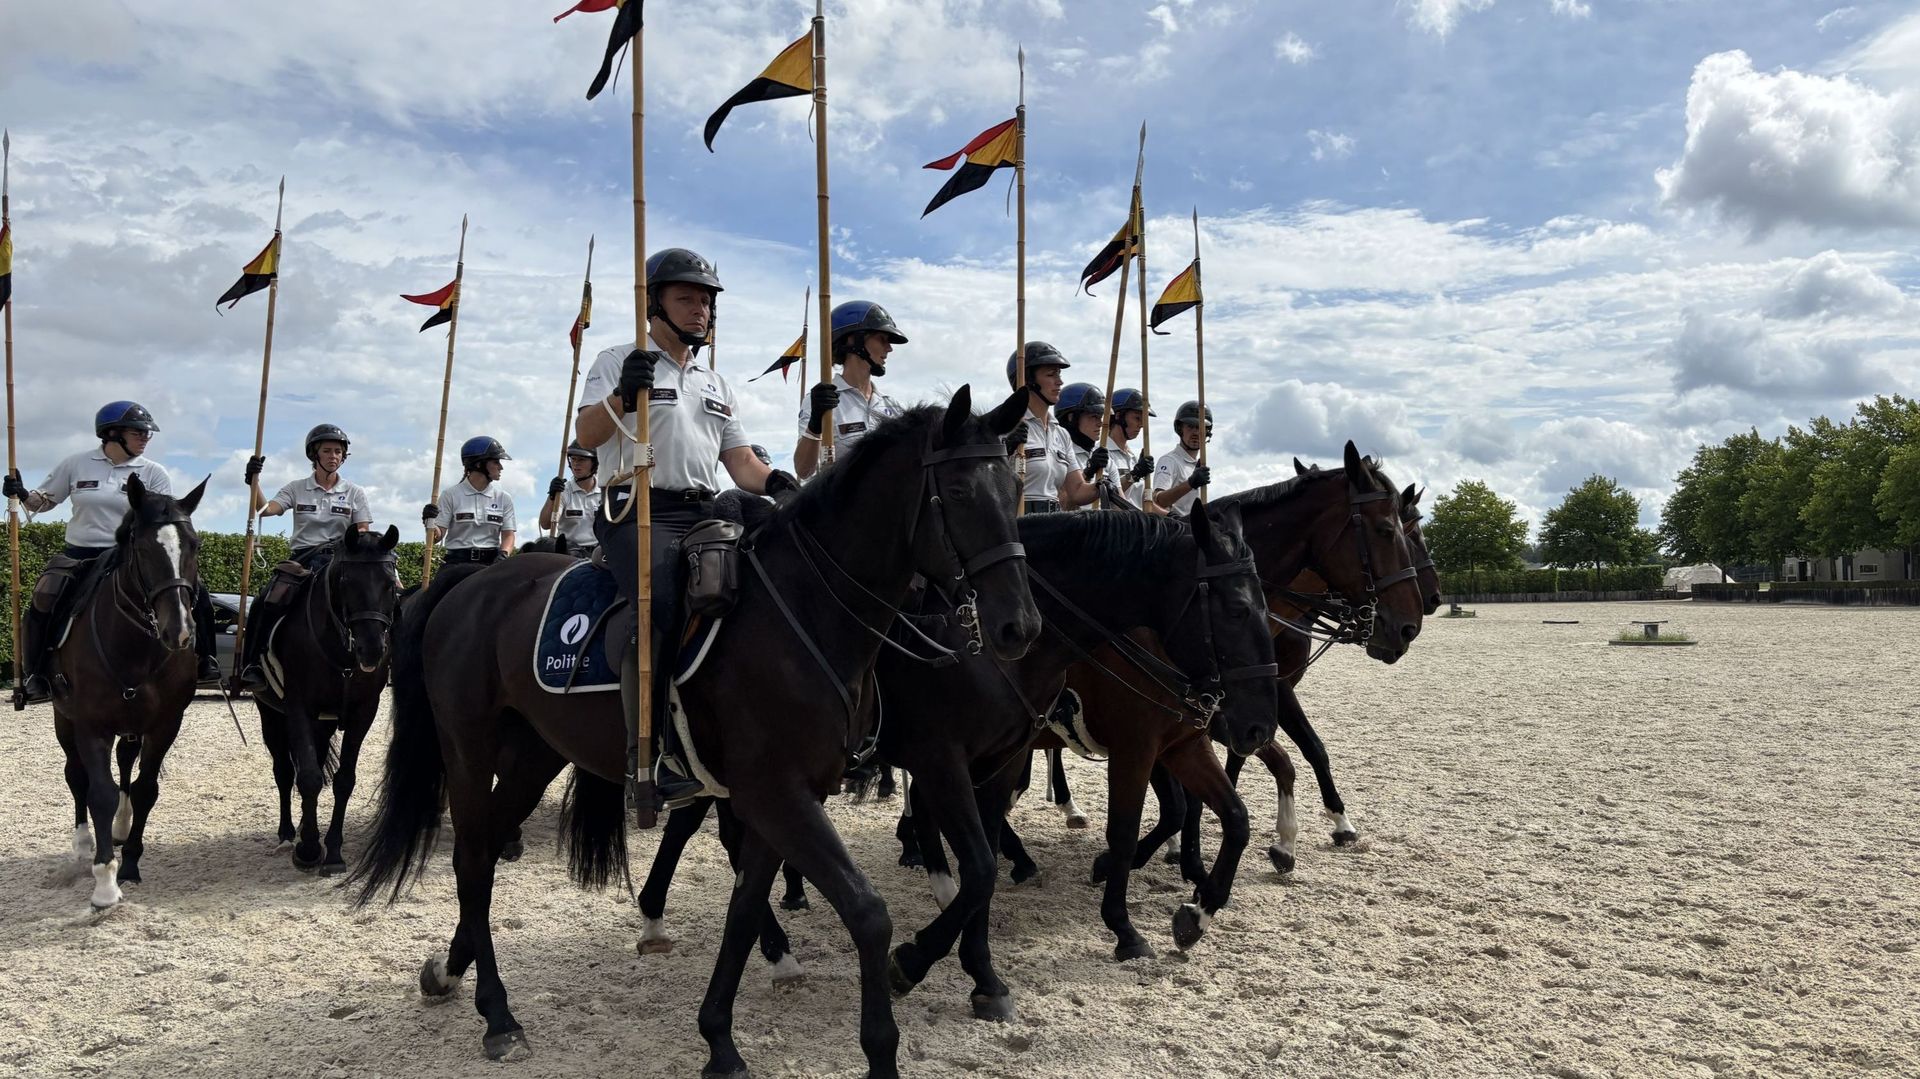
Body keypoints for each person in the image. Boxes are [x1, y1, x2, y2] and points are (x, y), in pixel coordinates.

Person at [572, 247, 797, 817]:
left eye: (705, 301)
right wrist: (624, 394)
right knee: (660, 601)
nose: (700, 310)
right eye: (686, 298)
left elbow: (740, 461)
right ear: (654, 305)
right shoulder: (619, 357)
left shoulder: (715, 380)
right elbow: (587, 434)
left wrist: (778, 482)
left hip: (705, 511)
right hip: (638, 509)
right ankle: (647, 755)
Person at [5, 401, 221, 705]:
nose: (146, 438)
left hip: (129, 556)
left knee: (197, 592)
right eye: (138, 432)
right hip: (81, 555)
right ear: (111, 433)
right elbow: (42, 502)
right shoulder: (76, 464)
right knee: (43, 598)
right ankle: (36, 675)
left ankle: (205, 660)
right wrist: (22, 493)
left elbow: (164, 520)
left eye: (147, 433)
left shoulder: (154, 472)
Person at [234, 423, 375, 688]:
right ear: (314, 455)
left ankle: (378, 657)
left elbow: (362, 531)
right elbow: (266, 509)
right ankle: (253, 664)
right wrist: (254, 481)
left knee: (375, 599)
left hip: (340, 560)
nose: (333, 456)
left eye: (338, 452)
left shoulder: (354, 492)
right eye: (327, 451)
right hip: (303, 559)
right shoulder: (296, 488)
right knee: (266, 600)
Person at [795, 301, 909, 479]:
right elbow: (803, 470)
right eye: (882, 339)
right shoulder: (819, 401)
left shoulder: (893, 406)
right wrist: (815, 423)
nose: (889, 348)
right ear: (853, 339)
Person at [1007, 342, 1104, 513]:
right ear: (1027, 380)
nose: (1060, 382)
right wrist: (1005, 450)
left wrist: (1101, 487)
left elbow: (1077, 492)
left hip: (1053, 523)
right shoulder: (1007, 427)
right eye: (1051, 375)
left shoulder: (1061, 434)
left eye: (1059, 374)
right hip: (1018, 523)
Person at [423, 436, 517, 564]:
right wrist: (430, 521)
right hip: (456, 563)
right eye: (496, 462)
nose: (501, 467)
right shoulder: (450, 495)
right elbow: (436, 537)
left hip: (491, 563)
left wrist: (504, 554)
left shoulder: (504, 498)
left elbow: (508, 535)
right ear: (479, 464)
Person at [1053, 382, 1110, 511]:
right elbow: (1064, 505)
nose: (1100, 423)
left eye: (1101, 417)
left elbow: (1119, 503)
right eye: (1094, 416)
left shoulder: (1104, 457)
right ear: (1071, 418)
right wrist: (1088, 472)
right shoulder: (1058, 456)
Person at [539, 442, 602, 557]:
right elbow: (546, 524)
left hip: (598, 552)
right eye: (573, 459)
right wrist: (552, 496)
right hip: (569, 553)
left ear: (594, 463)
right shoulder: (563, 491)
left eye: (582, 460)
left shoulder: (605, 490)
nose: (576, 464)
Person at [1152, 400, 1212, 517]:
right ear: (1180, 429)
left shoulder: (1199, 466)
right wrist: (1190, 483)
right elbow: (1159, 500)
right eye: (1190, 426)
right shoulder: (1170, 461)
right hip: (1176, 530)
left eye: (1200, 427)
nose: (1195, 432)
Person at [1107, 388, 1159, 512]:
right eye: (1137, 418)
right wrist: (1134, 475)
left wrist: (1172, 516)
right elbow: (1104, 494)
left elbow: (1144, 502)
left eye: (1143, 420)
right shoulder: (1103, 453)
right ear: (1119, 416)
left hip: (1137, 526)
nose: (1141, 424)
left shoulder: (1133, 458)